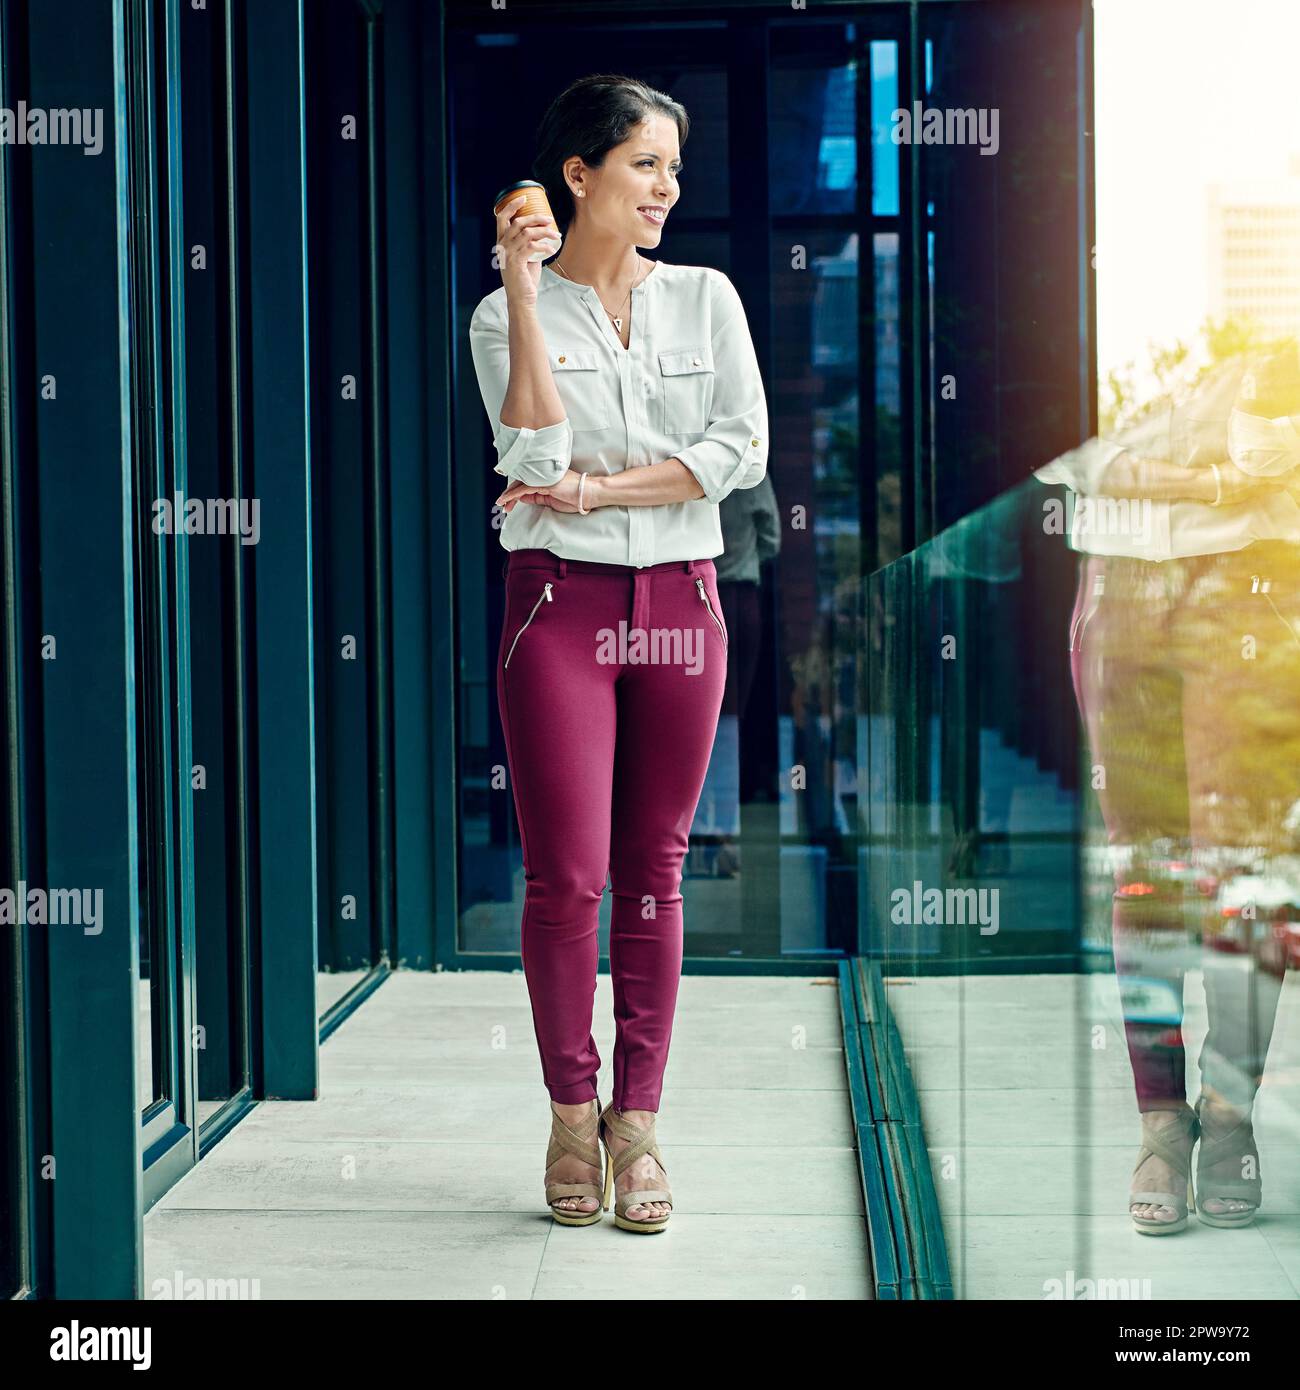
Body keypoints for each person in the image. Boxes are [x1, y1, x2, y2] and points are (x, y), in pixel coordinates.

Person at [468, 74, 769, 1231]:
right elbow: (527, 441)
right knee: (568, 877)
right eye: (645, 165)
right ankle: (567, 1111)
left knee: (655, 870)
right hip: (558, 606)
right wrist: (519, 281)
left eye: (674, 169)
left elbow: (733, 450)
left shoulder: (708, 298)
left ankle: (636, 1121)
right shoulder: (506, 310)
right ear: (579, 175)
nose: (666, 188)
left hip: (683, 601)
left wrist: (590, 488)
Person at [1039, 341, 1300, 1234]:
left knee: (1241, 870)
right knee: (1146, 873)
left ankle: (1229, 1114)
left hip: (1254, 588)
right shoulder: (1085, 267)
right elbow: (1063, 448)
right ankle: (1162, 1121)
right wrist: (1213, 479)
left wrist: (1172, 470)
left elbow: (1276, 449)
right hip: (1121, 591)